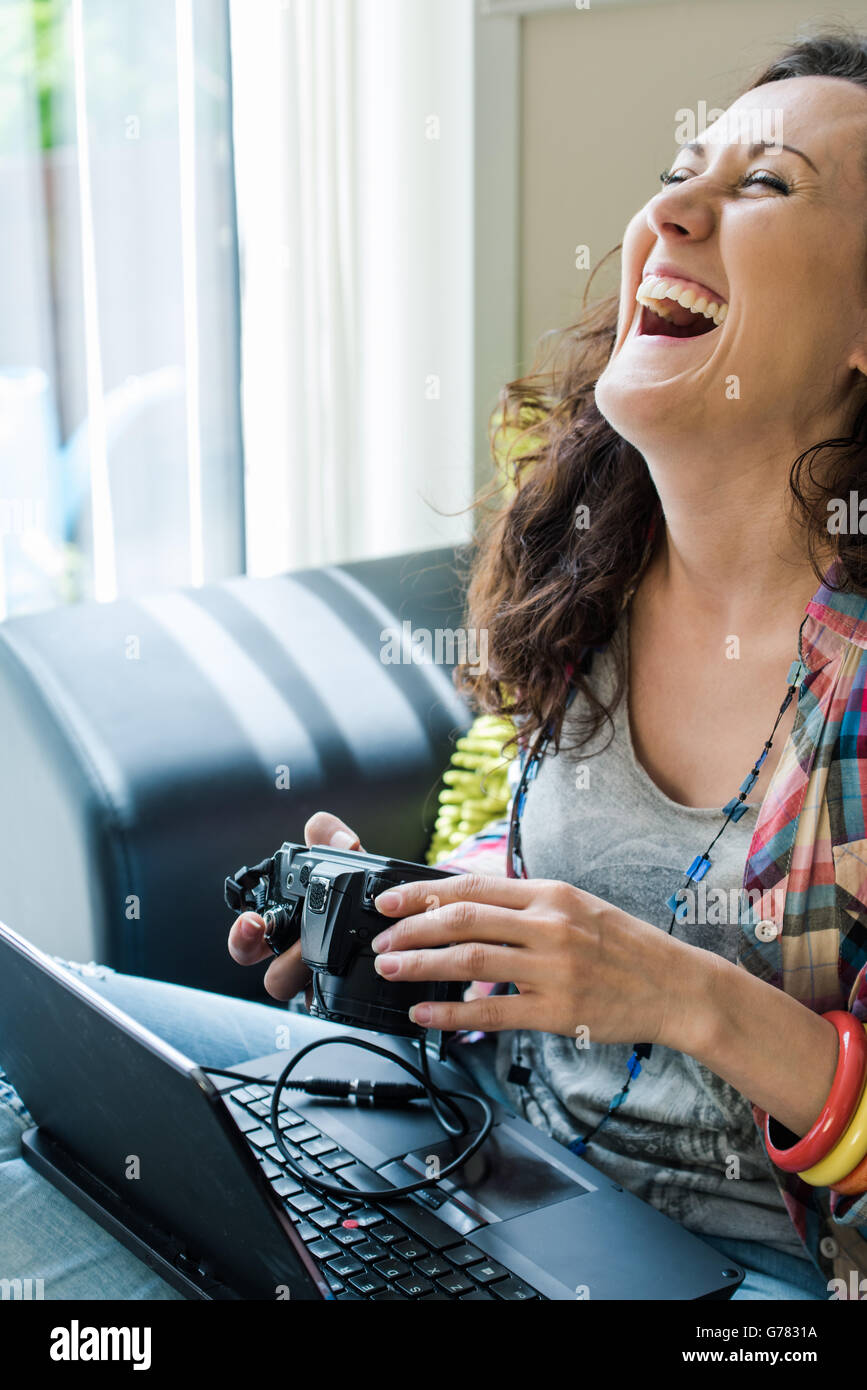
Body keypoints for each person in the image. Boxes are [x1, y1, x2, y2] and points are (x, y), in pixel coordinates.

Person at [4, 28, 867, 1302]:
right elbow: (579, 877)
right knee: (36, 1079)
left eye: (764, 185)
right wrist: (415, 927)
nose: (669, 209)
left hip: (758, 1280)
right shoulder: (596, 564)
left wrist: (689, 998)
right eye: (683, 168)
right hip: (480, 1147)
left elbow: (663, 963)